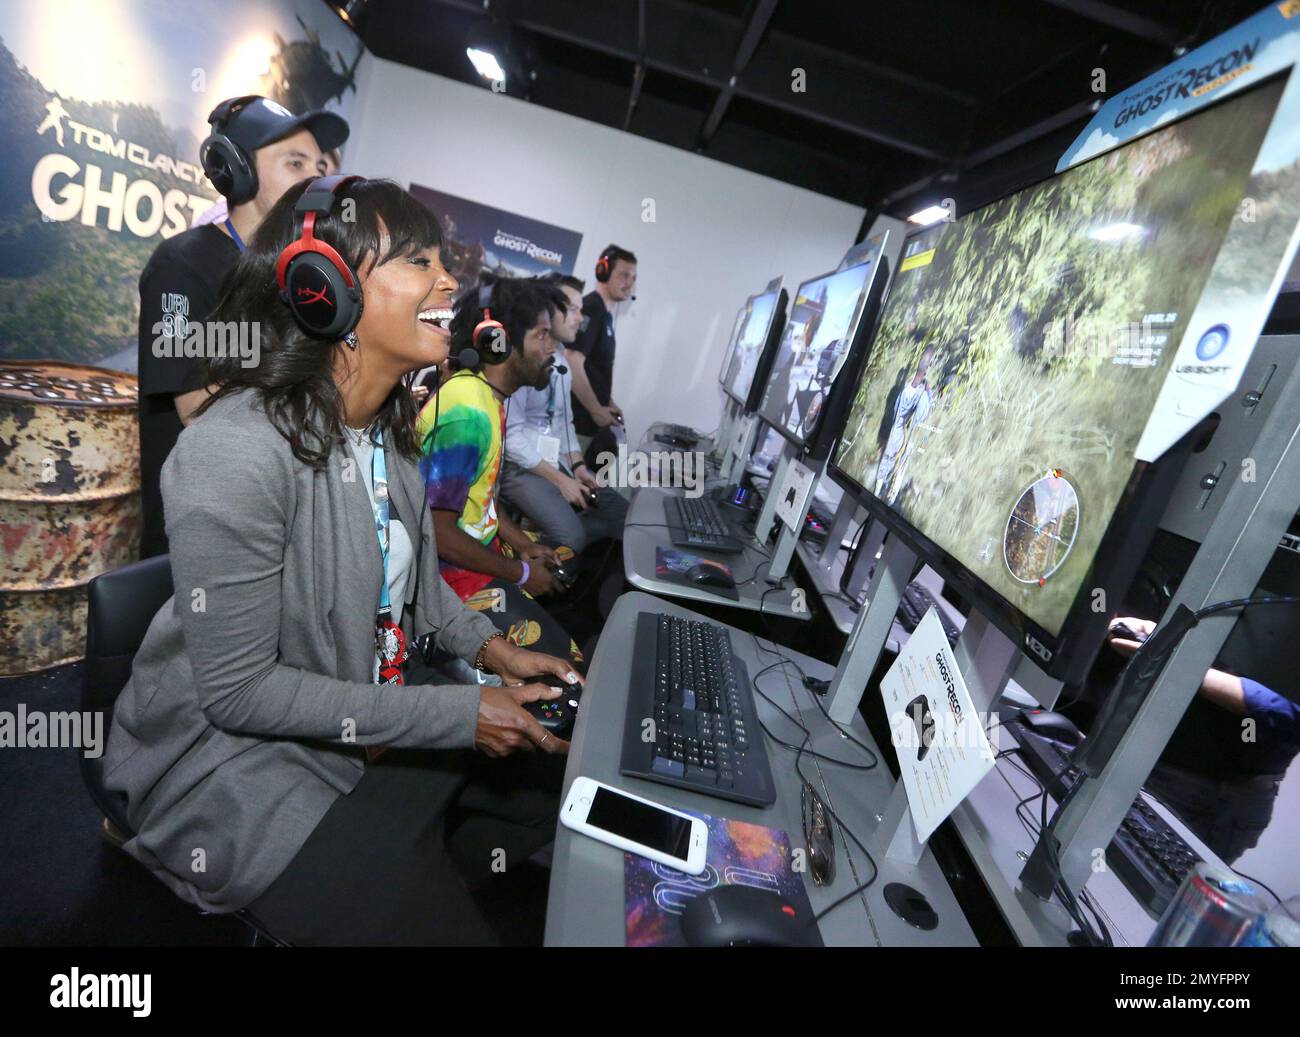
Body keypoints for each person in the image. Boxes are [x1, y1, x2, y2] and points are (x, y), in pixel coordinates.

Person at [106, 177, 578, 946]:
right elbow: (241, 695)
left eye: (442, 262)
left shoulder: (386, 434)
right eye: (417, 261)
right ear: (326, 290)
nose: (448, 281)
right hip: (238, 773)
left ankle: (409, 872)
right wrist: (461, 711)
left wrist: (494, 653)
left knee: (548, 780)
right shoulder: (234, 450)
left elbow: (420, 589)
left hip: (360, 717)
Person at [136, 95, 348, 558]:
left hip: (269, 526)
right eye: (294, 162)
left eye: (317, 163)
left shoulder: (294, 276)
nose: (314, 177)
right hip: (198, 538)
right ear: (237, 170)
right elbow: (197, 408)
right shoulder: (183, 266)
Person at [418, 275, 587, 674]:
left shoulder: (488, 398)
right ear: (498, 341)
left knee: (560, 559)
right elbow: (436, 532)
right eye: (542, 335)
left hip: (472, 564)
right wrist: (521, 572)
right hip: (446, 586)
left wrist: (521, 545)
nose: (552, 348)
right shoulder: (466, 412)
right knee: (567, 671)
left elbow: (480, 503)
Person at [1107, 617, 1298, 863]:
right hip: (1156, 756)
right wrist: (1159, 632)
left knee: (1140, 881)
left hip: (1211, 791)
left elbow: (1287, 712)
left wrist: (1173, 661)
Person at [499, 273, 629, 553]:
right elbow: (511, 439)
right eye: (572, 309)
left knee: (621, 514)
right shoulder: (522, 359)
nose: (580, 318)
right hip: (519, 467)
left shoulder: (561, 363)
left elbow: (564, 423)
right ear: (548, 311)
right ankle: (527, 562)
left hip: (552, 462)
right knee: (571, 537)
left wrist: (579, 469)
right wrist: (561, 481)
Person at [569, 244, 636, 470]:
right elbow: (572, 361)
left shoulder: (604, 316)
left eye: (633, 277)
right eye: (624, 275)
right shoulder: (590, 309)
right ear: (603, 271)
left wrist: (607, 402)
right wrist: (597, 411)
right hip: (577, 425)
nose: (629, 283)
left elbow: (593, 368)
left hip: (588, 424)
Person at [874, 344, 935, 505]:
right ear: (929, 366)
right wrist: (929, 393)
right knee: (899, 468)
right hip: (906, 436)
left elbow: (894, 409)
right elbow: (921, 416)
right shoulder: (922, 392)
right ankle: (888, 499)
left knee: (886, 461)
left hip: (895, 430)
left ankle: (878, 491)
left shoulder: (905, 387)